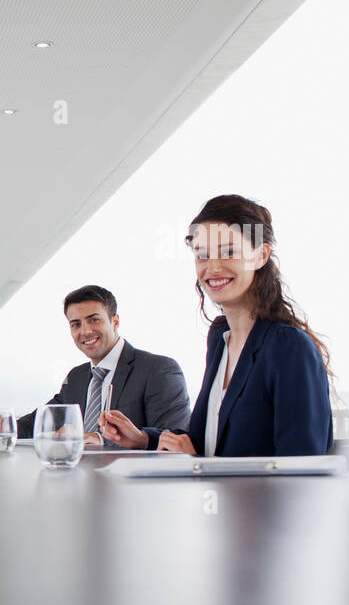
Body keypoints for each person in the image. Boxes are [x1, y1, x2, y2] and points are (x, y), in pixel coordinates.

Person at [101, 195, 333, 456]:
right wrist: (145, 439)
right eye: (202, 255)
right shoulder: (220, 338)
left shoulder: (288, 346)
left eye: (228, 252)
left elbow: (302, 467)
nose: (212, 267)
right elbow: (210, 440)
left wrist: (198, 464)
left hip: (257, 498)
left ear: (260, 255)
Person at [16, 285, 189, 444]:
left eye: (93, 320)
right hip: (79, 475)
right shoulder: (76, 377)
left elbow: (173, 437)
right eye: (76, 324)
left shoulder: (158, 369)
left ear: (115, 321)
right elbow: (43, 420)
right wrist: (2, 429)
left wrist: (101, 439)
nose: (85, 331)